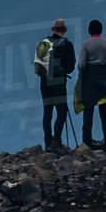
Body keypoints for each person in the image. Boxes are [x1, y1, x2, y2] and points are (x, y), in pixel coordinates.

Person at [78, 19, 106, 154]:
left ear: (89, 31)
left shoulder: (85, 45)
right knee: (105, 113)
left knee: (88, 111)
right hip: (105, 79)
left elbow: (81, 65)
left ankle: (87, 142)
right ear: (101, 31)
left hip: (90, 79)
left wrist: (82, 76)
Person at [35, 18, 76, 154]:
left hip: (44, 82)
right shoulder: (67, 44)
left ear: (53, 29)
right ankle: (57, 142)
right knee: (61, 113)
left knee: (47, 113)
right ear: (63, 31)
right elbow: (71, 67)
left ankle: (48, 142)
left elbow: (38, 66)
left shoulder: (44, 43)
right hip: (58, 82)